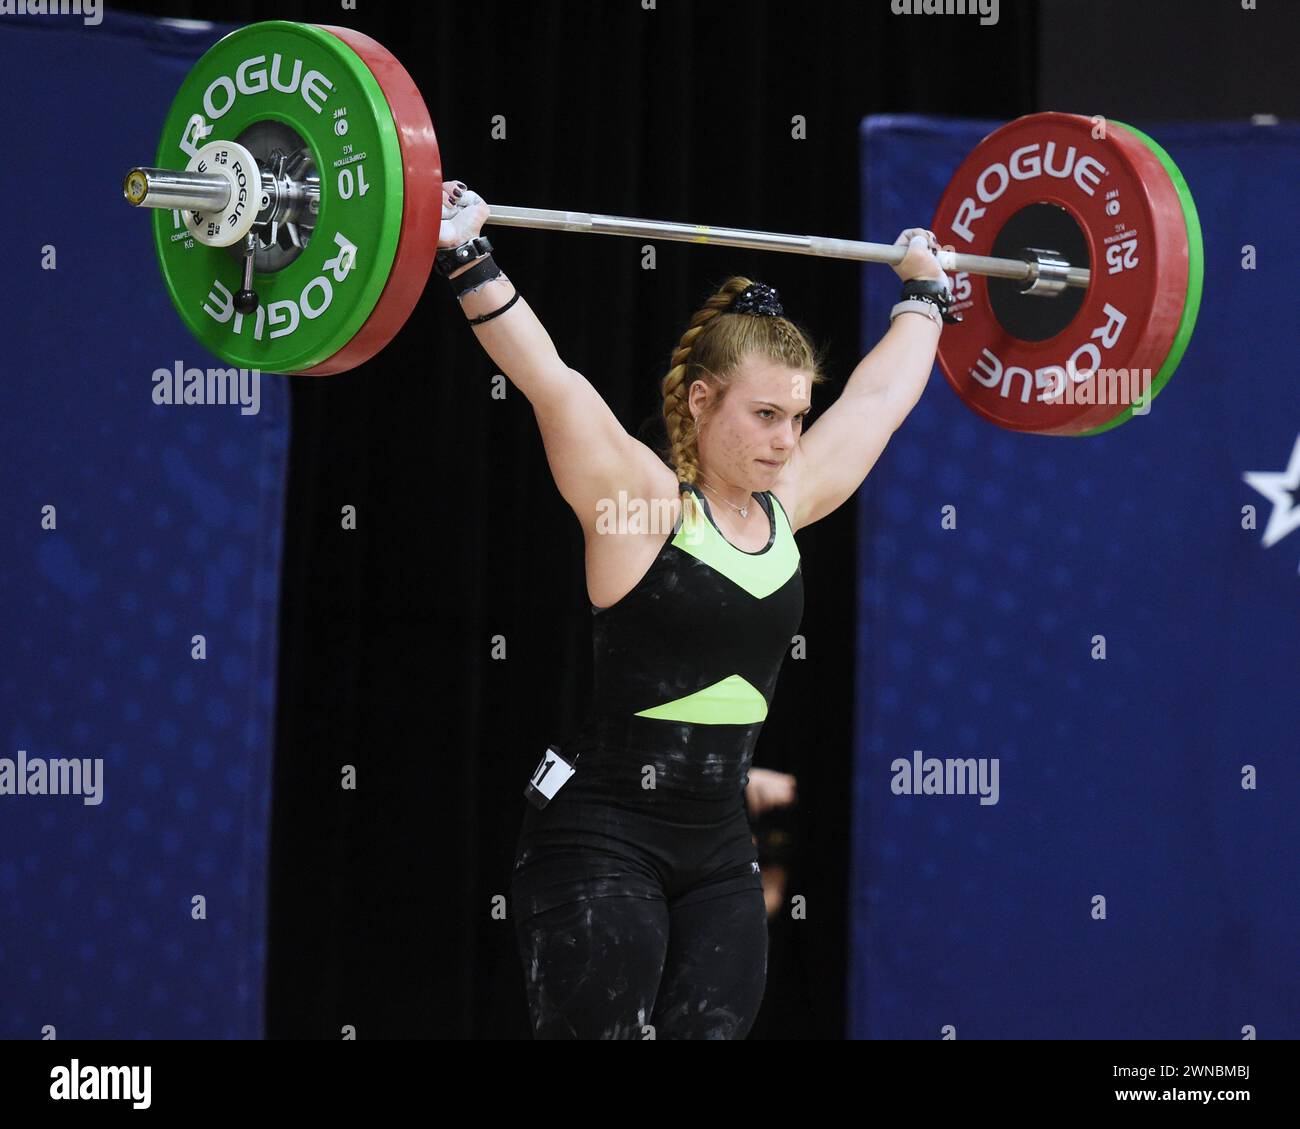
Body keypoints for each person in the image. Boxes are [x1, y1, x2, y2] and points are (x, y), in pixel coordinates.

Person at [436, 180, 950, 1038]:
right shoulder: (640, 503)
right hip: (598, 836)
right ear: (703, 402)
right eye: (764, 415)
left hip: (719, 852)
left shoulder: (791, 498)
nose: (787, 438)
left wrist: (926, 294)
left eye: (795, 416)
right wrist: (465, 251)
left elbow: (879, 402)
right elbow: (553, 385)